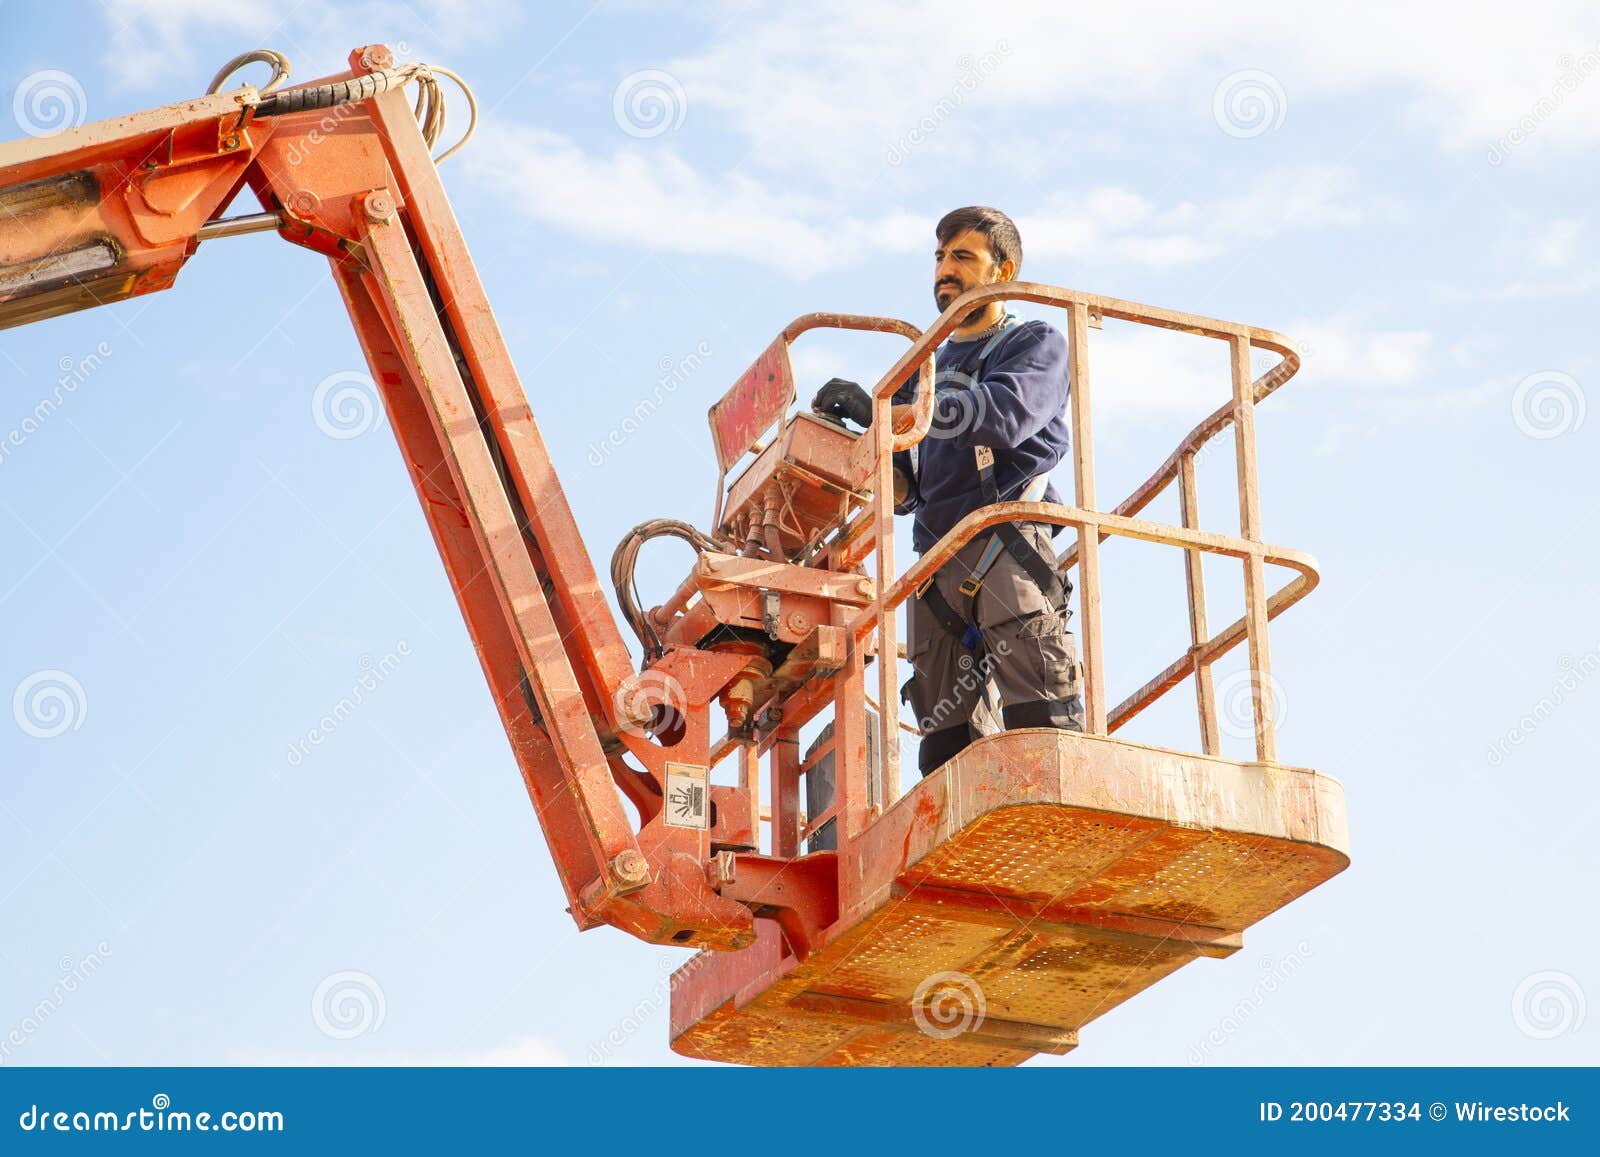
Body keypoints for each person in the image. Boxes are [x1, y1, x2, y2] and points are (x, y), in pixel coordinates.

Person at [811, 205, 1085, 777]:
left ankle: (1049, 827)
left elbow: (1004, 415)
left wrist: (891, 412)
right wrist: (855, 446)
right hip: (935, 569)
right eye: (939, 256)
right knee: (944, 753)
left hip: (1004, 543)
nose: (945, 269)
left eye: (963, 256)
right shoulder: (922, 367)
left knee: (1043, 726)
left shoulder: (1035, 342)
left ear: (1003, 270)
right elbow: (912, 489)